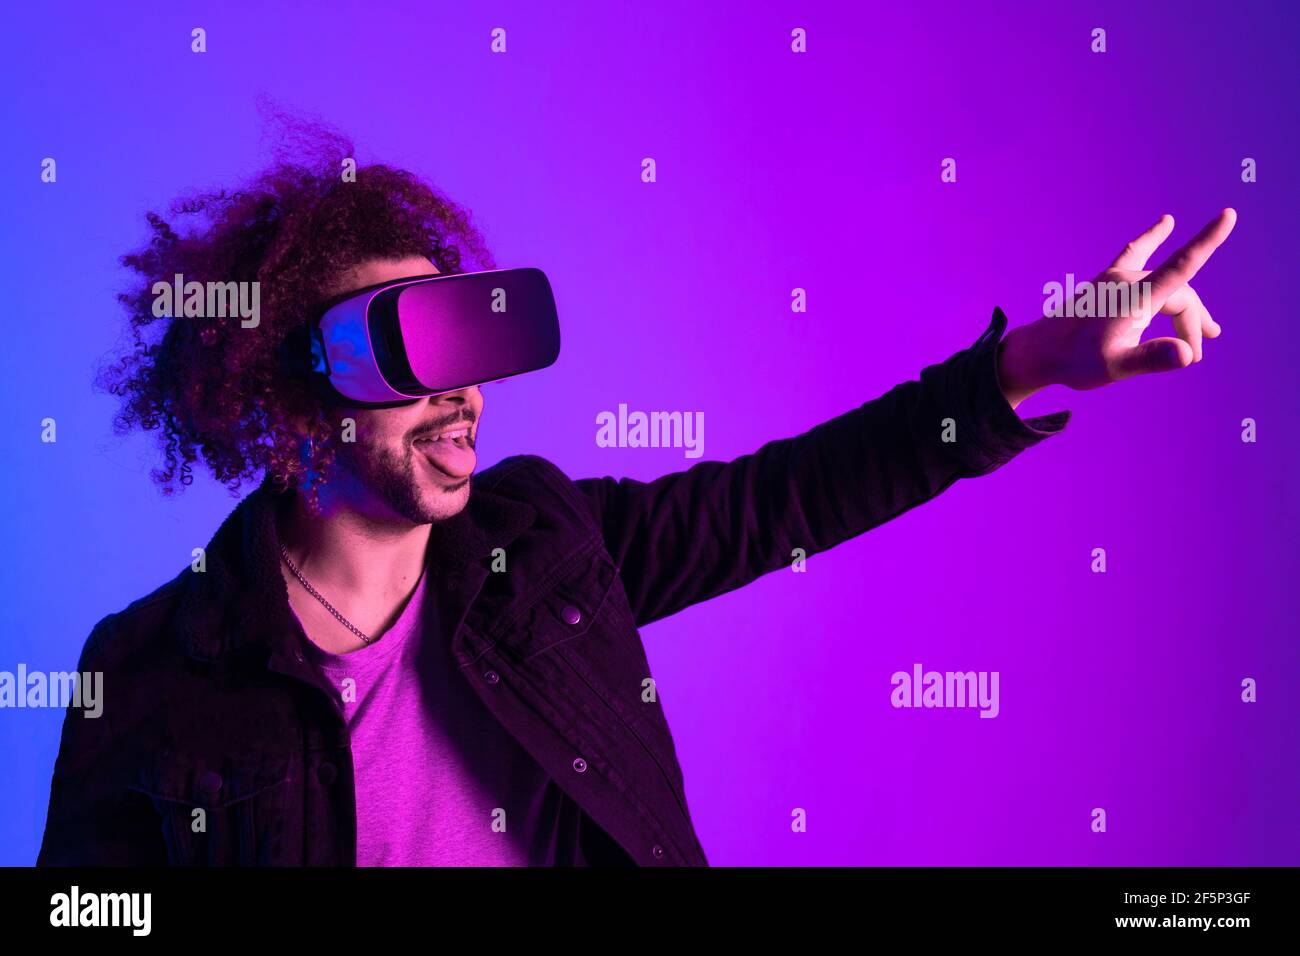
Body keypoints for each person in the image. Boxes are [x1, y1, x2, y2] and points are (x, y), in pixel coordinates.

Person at [35, 127, 1236, 866]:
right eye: (416, 359)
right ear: (291, 387)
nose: (465, 401)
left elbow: (791, 496)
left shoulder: (549, 544)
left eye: (473, 357)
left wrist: (1032, 360)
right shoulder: (149, 670)